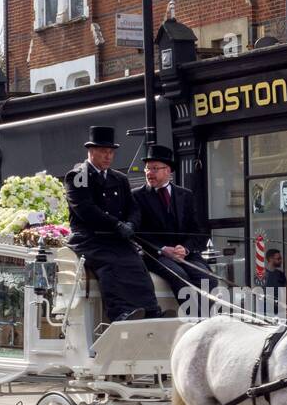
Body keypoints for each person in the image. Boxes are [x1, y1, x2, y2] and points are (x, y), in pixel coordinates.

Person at [62, 126, 161, 323]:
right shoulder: (78, 176)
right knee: (110, 264)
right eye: (103, 152)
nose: (108, 157)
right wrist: (116, 225)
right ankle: (120, 312)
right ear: (91, 152)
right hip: (90, 238)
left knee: (136, 262)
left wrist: (131, 224)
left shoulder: (120, 178)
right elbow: (86, 209)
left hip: (116, 237)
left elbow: (133, 208)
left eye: (111, 152)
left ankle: (151, 309)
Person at [131, 144, 210, 313]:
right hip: (155, 255)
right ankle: (195, 319)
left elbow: (197, 230)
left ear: (168, 170)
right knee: (179, 275)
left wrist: (186, 249)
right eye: (147, 168)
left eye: (155, 168)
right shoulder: (136, 196)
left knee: (207, 278)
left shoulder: (185, 195)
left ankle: (207, 319)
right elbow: (137, 233)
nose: (149, 173)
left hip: (184, 255)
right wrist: (162, 249)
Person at [258, 247, 287, 313]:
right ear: (271, 259)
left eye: (281, 258)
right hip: (264, 311)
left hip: (279, 310)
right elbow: (256, 291)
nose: (281, 261)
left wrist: (285, 306)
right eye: (278, 259)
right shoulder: (261, 274)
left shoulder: (280, 274)